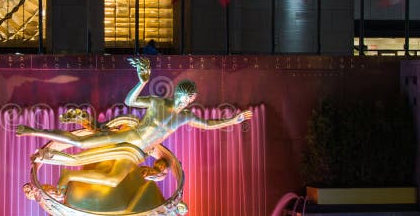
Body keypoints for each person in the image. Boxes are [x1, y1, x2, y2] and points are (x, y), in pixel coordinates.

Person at [16, 56, 253, 190]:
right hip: (130, 137)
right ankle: (32, 131)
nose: (188, 101)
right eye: (186, 97)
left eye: (191, 99)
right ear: (178, 94)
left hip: (139, 153)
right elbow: (130, 100)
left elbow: (209, 125)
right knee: (81, 142)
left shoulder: (185, 117)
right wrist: (141, 82)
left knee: (112, 180)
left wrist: (234, 119)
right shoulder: (158, 103)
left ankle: (67, 174)